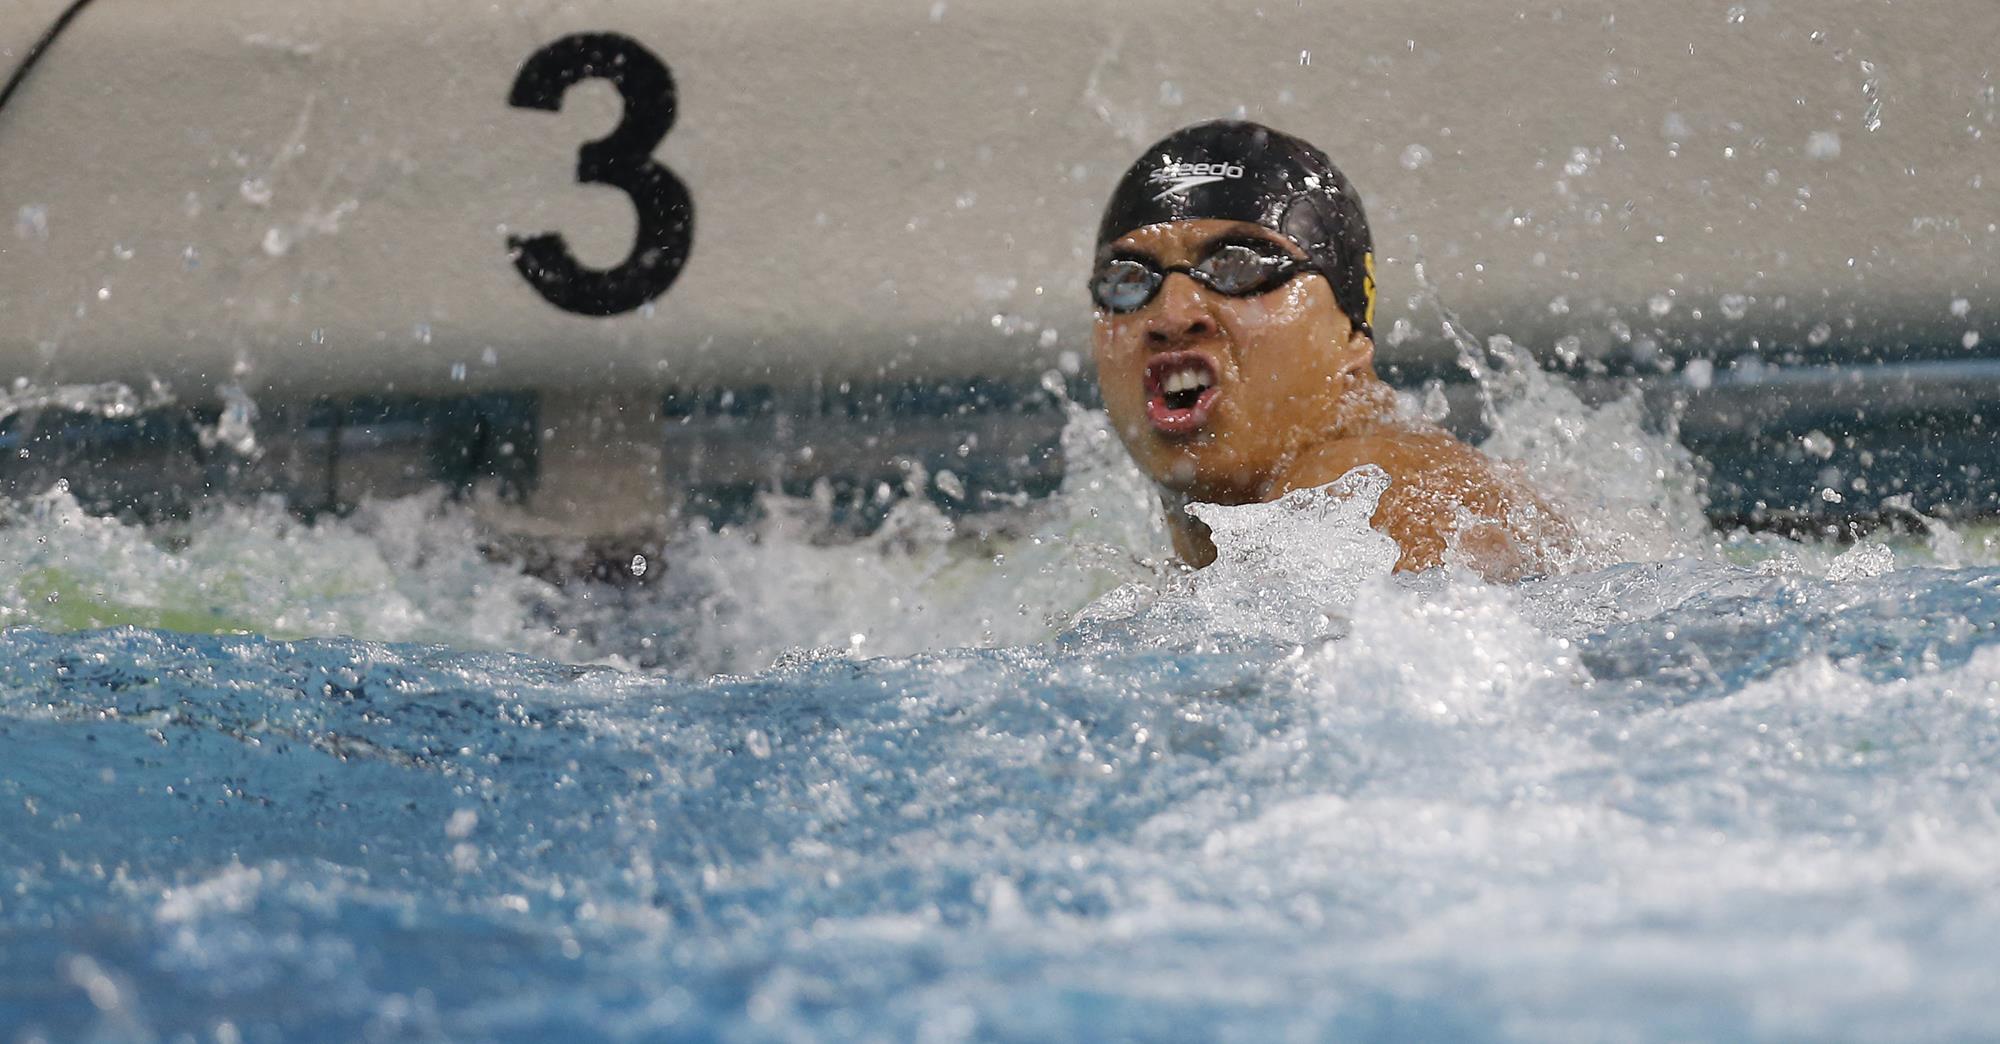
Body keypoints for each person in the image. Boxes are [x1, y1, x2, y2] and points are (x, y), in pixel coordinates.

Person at [1089, 120, 1569, 580]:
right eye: (1129, 278)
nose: (1171, 315)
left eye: (1238, 266)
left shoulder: (1361, 488)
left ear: (1352, 333)